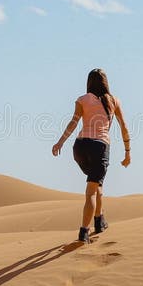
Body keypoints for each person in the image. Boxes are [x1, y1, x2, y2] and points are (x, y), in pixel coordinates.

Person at [52, 68, 131, 243]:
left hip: (80, 148)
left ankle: (99, 221)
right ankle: (84, 231)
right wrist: (127, 152)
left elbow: (74, 122)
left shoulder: (83, 99)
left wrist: (60, 142)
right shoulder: (114, 101)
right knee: (91, 192)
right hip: (99, 147)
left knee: (96, 185)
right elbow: (124, 127)